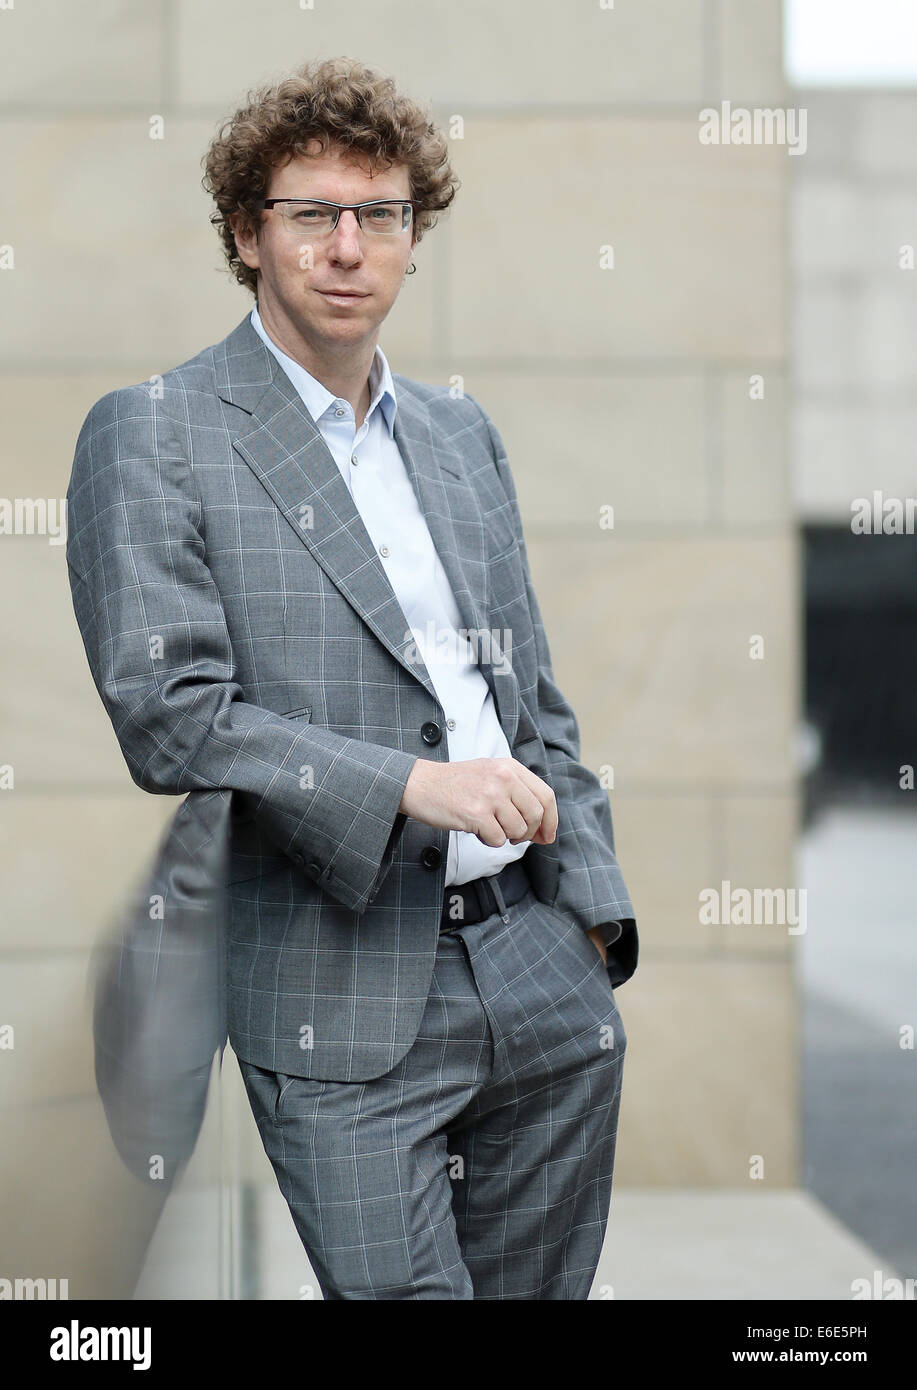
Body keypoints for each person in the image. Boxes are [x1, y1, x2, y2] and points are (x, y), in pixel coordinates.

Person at [65, 56, 637, 1300]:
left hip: (539, 974)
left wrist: (592, 917)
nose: (345, 246)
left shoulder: (456, 432)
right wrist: (413, 786)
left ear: (411, 237)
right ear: (245, 233)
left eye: (378, 216)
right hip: (337, 997)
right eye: (310, 213)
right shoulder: (153, 428)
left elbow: (529, 697)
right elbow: (171, 717)